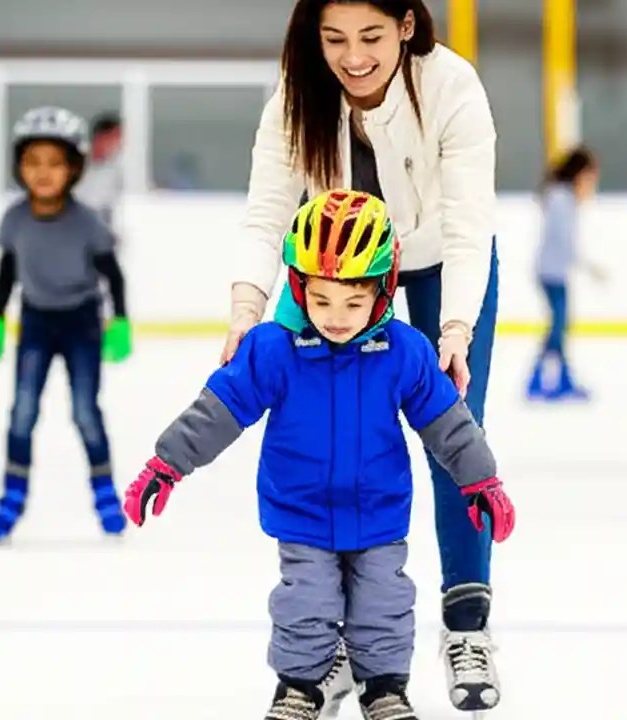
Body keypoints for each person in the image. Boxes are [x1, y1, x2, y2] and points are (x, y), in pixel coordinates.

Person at [123, 190, 515, 720]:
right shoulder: (273, 350)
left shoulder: (404, 352)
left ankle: (383, 690)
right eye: (321, 299)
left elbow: (448, 424)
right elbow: (218, 411)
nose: (336, 317)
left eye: (353, 303)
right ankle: (299, 688)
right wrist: (166, 464)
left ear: (382, 292)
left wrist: (480, 480)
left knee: (384, 605)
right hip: (301, 511)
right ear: (298, 286)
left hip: (377, 512)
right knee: (304, 602)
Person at [220, 1, 502, 712]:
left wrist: (457, 330)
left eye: (372, 37)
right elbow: (267, 210)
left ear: (407, 25)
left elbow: (471, 227)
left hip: (441, 260)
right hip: (333, 271)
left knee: (452, 430)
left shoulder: (452, 87)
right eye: (334, 38)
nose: (352, 57)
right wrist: (247, 312)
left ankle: (467, 624)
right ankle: (340, 638)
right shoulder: (297, 94)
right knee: (321, 436)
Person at [0, 106, 134, 543]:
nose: (43, 173)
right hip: (35, 321)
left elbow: (113, 272)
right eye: (33, 163)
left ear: (74, 169)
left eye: (55, 163)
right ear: (19, 168)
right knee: (23, 411)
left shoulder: (86, 221)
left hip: (82, 323)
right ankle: (11, 498)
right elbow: (8, 268)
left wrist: (120, 321)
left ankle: (105, 493)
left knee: (86, 411)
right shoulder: (15, 219)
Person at [527, 146, 606, 401]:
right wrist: (588, 266)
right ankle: (541, 378)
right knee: (559, 326)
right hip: (551, 272)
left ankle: (559, 378)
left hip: (555, 271)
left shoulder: (564, 198)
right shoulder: (561, 199)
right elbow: (563, 240)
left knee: (560, 326)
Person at [76, 112, 125, 236]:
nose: (118, 143)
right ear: (101, 137)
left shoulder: (116, 170)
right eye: (115, 137)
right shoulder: (75, 164)